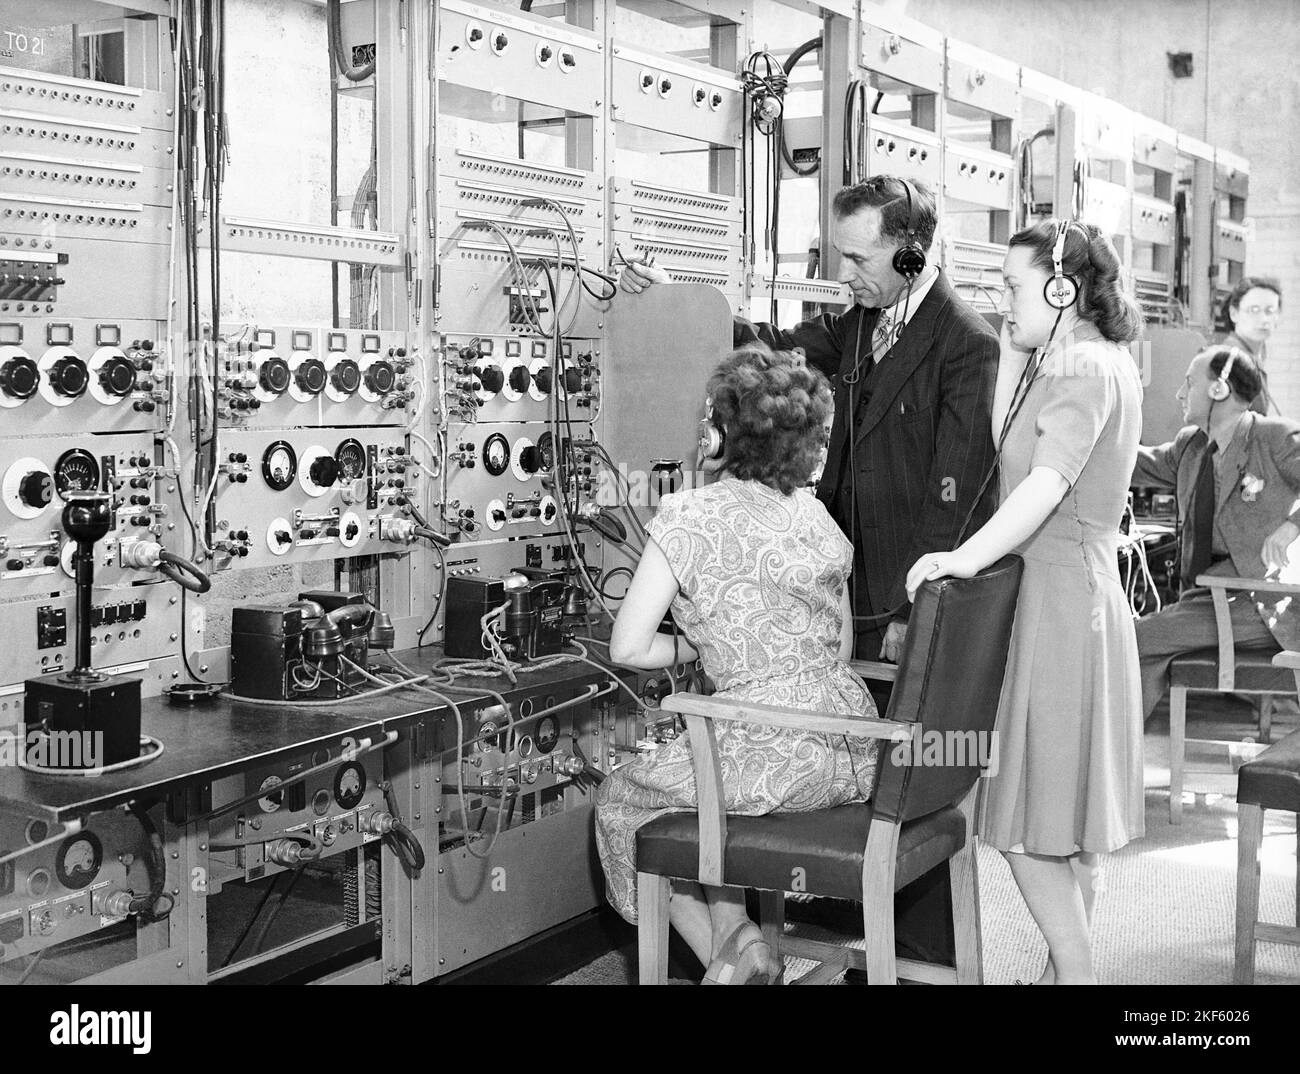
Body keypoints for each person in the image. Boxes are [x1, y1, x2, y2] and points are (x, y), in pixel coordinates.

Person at [620, 176, 999, 667]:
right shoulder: (864, 320)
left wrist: (914, 611)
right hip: (849, 597)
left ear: (912, 257)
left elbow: (957, 497)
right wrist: (680, 302)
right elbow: (773, 344)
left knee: (897, 738)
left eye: (859, 259)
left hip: (902, 604)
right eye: (842, 254)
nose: (844, 273)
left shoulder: (967, 344)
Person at [905, 220, 1146, 985]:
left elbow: (1042, 486)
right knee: (1066, 820)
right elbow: (1008, 437)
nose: (999, 299)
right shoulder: (1084, 359)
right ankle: (1057, 977)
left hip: (1061, 602)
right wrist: (1015, 336)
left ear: (1061, 286)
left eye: (1013, 285)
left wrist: (963, 555)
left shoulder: (1080, 369)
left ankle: (1077, 978)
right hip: (1076, 595)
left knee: (1024, 821)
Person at [594, 346, 878, 985]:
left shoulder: (689, 516)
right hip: (852, 749)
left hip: (769, 754)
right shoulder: (818, 517)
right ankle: (738, 937)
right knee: (711, 792)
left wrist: (699, 645)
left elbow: (628, 648)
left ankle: (735, 945)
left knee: (622, 801)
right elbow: (839, 649)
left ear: (718, 432)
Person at [1132, 345, 1300, 720]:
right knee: (1141, 646)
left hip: (1266, 603)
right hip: (1212, 594)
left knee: (1137, 639)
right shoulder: (1191, 446)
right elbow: (1134, 463)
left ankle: (1113, 753)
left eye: (1189, 383)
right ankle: (1120, 752)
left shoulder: (1274, 437)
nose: (1179, 393)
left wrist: (1292, 526)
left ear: (1219, 390)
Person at [1221, 276, 1283, 414]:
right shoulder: (1229, 360)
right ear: (1234, 313)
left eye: (1270, 311)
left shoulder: (1251, 359)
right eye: (1254, 310)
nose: (1264, 319)